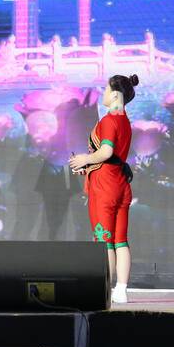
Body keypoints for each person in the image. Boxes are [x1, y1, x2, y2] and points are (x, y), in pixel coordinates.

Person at [68, 74, 138, 304]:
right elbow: (114, 156)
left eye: (106, 90)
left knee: (104, 242)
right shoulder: (125, 120)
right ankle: (121, 289)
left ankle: (104, 290)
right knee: (120, 241)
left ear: (115, 94)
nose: (104, 94)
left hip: (105, 188)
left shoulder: (109, 120)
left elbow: (106, 152)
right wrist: (88, 165)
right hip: (120, 186)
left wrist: (84, 160)